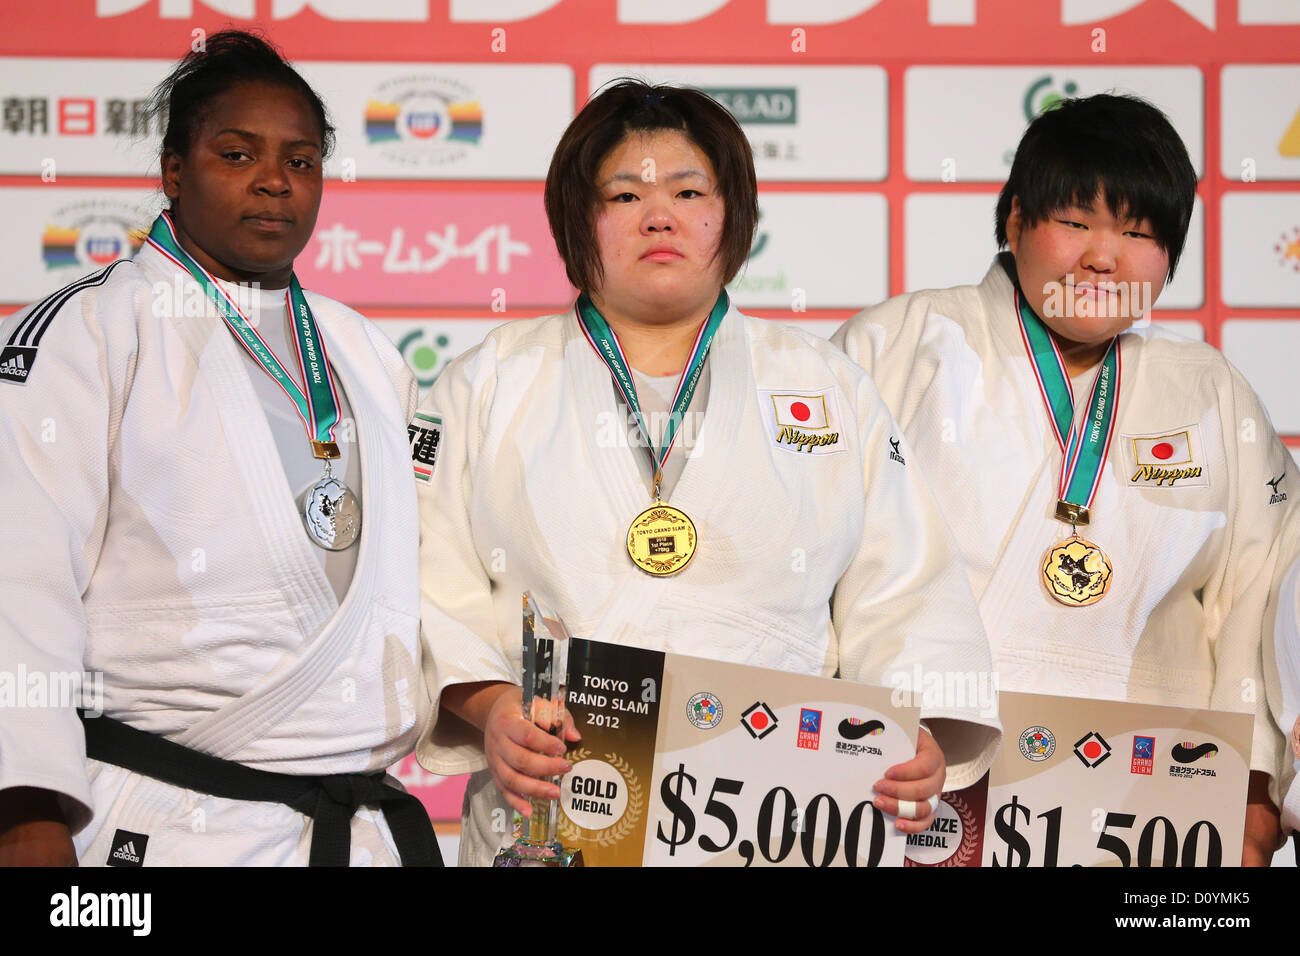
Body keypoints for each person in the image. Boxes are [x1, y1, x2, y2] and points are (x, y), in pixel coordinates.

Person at [413, 80, 1001, 867]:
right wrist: (489, 708)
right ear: (574, 219)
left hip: (782, 820)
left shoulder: (826, 386)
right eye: (625, 194)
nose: (660, 215)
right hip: (558, 814)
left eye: (690, 191)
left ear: (735, 217)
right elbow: (425, 576)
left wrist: (917, 728)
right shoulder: (487, 382)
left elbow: (905, 588)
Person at [0, 31, 440, 866]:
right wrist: (25, 815)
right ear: (174, 171)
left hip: (361, 828)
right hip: (167, 818)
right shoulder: (91, 330)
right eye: (238, 154)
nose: (275, 180)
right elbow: (14, 578)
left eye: (302, 161)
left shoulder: (363, 351)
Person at [832, 93, 1294, 865]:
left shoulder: (1211, 391)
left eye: (1139, 232)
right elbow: (816, 559)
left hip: (1149, 797)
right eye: (1076, 222)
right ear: (1014, 220)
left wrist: (1251, 785)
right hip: (923, 774)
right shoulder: (897, 345)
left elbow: (1266, 591)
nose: (1103, 258)